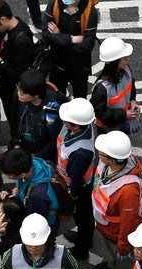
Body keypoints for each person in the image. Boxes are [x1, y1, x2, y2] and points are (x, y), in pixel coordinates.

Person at [91, 131, 142, 269]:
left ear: (112, 159)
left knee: (126, 268)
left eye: (102, 153)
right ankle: (114, 265)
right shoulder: (106, 165)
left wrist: (124, 246)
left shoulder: (128, 191)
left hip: (117, 235)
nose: (99, 153)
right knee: (115, 257)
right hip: (105, 228)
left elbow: (129, 222)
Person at [56, 98, 97, 260]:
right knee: (82, 216)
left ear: (76, 125)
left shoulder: (80, 152)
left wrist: (73, 192)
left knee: (83, 216)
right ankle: (83, 238)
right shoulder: (83, 127)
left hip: (81, 186)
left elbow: (76, 177)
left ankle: (83, 248)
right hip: (80, 181)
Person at [39, 0, 98, 100]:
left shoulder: (90, 11)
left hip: (79, 68)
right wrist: (72, 39)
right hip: (57, 65)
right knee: (56, 101)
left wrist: (58, 37)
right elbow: (46, 34)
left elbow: (87, 46)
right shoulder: (54, 4)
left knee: (80, 102)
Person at [91, 37, 139, 135]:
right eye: (124, 59)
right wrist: (124, 114)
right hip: (107, 130)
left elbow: (131, 87)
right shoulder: (101, 88)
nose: (128, 61)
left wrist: (133, 101)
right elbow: (101, 113)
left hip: (122, 122)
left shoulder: (126, 70)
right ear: (115, 62)